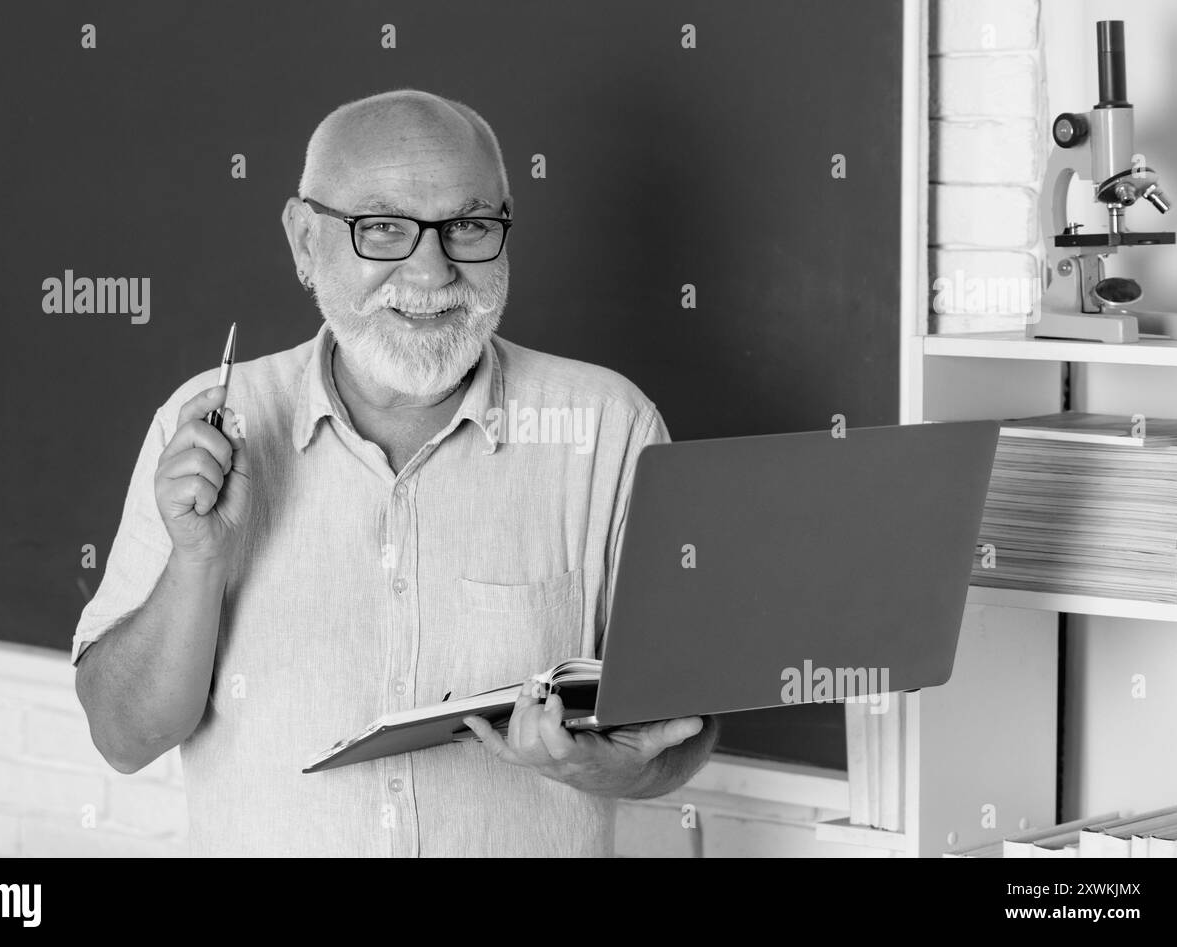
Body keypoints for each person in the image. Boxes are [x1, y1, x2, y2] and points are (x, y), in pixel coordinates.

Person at [73, 88, 717, 857]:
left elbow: (684, 730)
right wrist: (198, 558)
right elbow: (124, 736)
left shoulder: (613, 428)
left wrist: (603, 767)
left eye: (469, 225)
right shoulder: (210, 426)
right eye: (382, 228)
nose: (432, 269)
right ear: (305, 242)